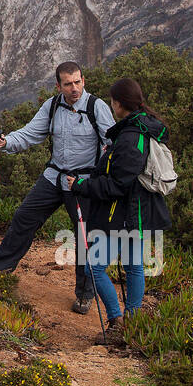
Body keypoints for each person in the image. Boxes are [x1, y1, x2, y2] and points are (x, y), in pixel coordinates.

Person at [0, 61, 114, 315]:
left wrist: (107, 174)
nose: (74, 88)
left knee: (86, 238)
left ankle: (85, 294)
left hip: (84, 183)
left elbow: (111, 140)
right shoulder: (52, 106)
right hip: (54, 176)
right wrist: (6, 142)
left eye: (77, 82)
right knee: (24, 217)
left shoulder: (96, 107)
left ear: (83, 80)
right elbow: (31, 133)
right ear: (58, 85)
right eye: (68, 83)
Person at [64, 77, 171, 346]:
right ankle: (131, 324)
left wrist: (82, 185)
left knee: (94, 268)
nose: (112, 107)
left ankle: (117, 322)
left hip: (121, 215)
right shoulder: (143, 129)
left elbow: (119, 183)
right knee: (134, 268)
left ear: (119, 104)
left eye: (113, 102)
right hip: (141, 212)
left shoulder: (131, 136)